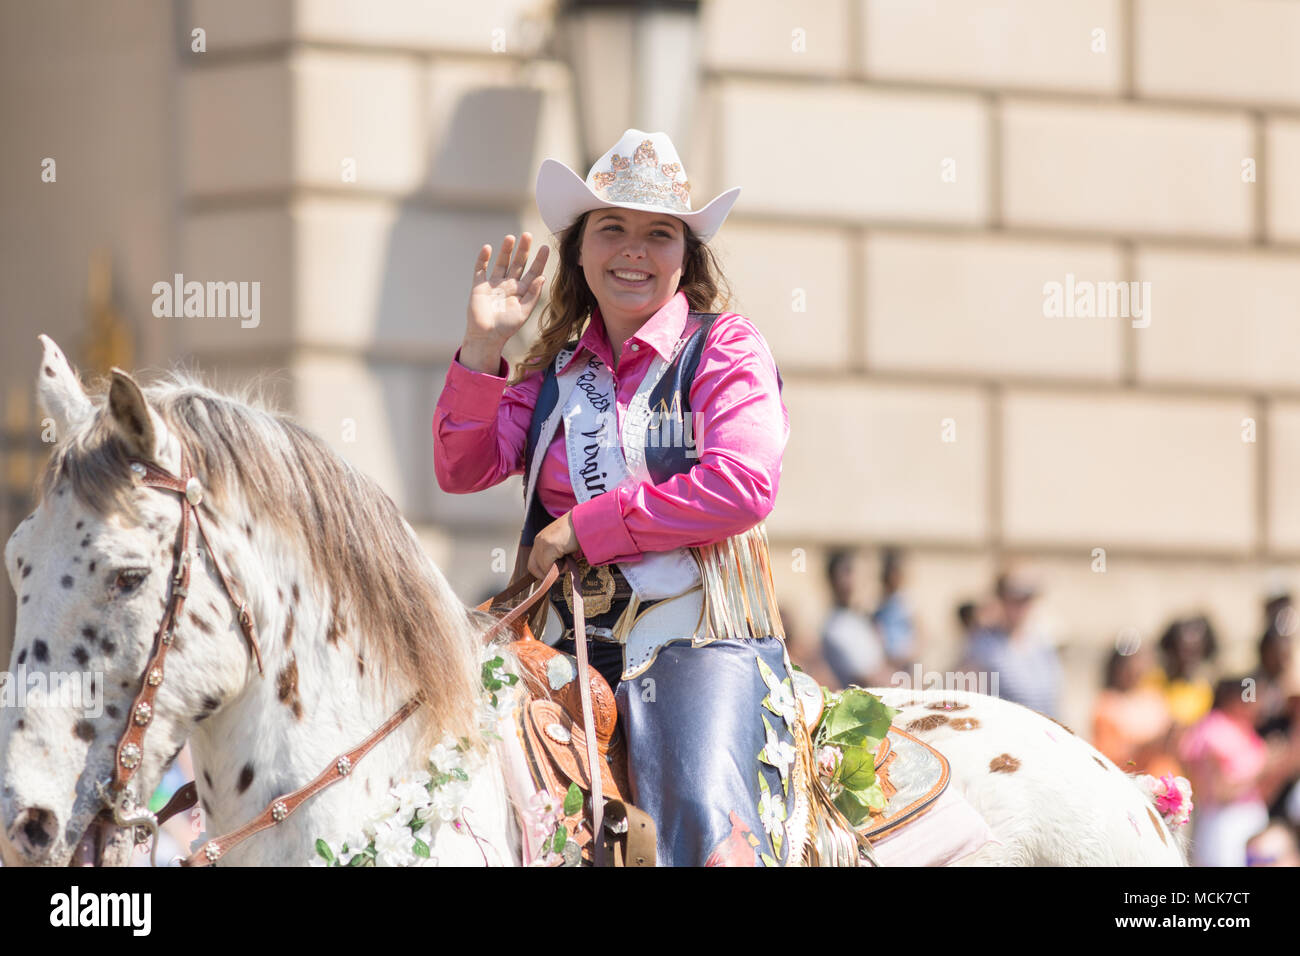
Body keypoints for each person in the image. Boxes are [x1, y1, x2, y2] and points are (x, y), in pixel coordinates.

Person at [433, 129, 838, 867]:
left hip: (690, 641)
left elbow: (742, 485)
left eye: (659, 234)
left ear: (686, 258)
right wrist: (484, 348)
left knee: (702, 820)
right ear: (581, 251)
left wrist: (585, 527)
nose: (633, 250)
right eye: (611, 229)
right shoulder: (555, 371)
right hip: (552, 645)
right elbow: (463, 468)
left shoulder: (723, 349)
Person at [963, 568, 1063, 718]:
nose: (1022, 605)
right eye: (1015, 598)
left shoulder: (1043, 643)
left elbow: (1053, 701)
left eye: (1027, 597)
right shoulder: (983, 645)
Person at [1091, 645, 1178, 777]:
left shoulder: (1154, 698)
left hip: (1162, 779)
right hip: (1131, 782)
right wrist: (1147, 745)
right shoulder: (1107, 704)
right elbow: (1108, 755)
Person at [820, 548, 888, 689]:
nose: (851, 581)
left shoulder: (862, 619)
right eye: (845, 573)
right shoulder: (835, 628)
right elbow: (867, 677)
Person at [871, 546, 918, 669]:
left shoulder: (907, 602)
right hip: (887, 662)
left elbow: (921, 633)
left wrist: (910, 654)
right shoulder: (879, 604)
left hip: (906, 661)